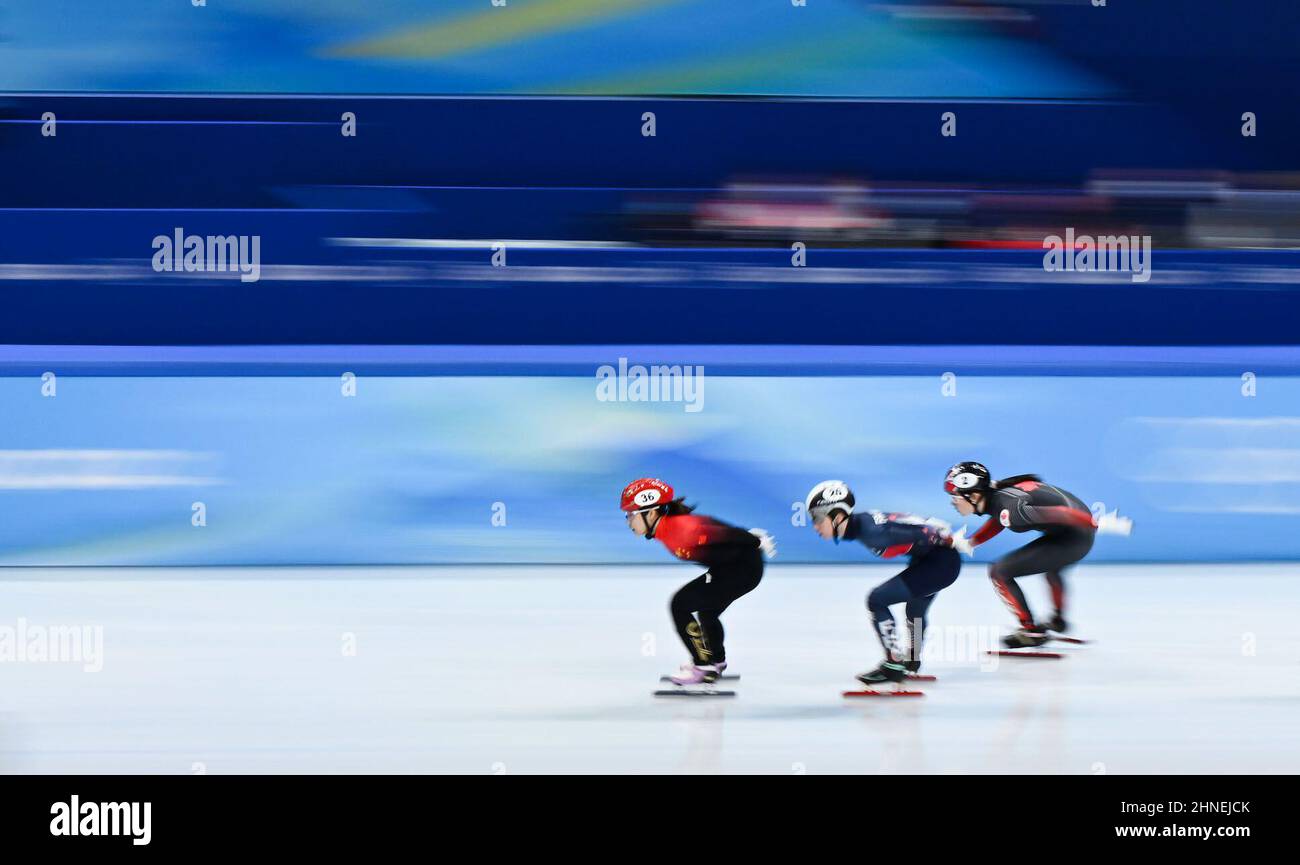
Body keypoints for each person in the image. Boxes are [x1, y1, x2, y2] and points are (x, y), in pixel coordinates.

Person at [943, 461, 1129, 648]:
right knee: (1052, 570)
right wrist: (971, 542)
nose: (952, 502)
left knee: (1000, 572)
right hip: (1071, 533)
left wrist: (1097, 523)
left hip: (1074, 535)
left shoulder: (1012, 510)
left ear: (974, 496)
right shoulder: (998, 496)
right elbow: (999, 519)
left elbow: (1061, 513)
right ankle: (1057, 621)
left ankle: (1031, 631)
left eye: (954, 496)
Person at [805, 480, 970, 687]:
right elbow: (916, 525)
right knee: (915, 613)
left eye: (817, 519)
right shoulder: (864, 524)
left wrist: (950, 540)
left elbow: (924, 532)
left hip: (940, 564)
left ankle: (893, 665)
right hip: (934, 562)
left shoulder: (872, 532)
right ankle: (911, 662)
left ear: (837, 517)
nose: (815, 526)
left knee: (877, 600)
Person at [621, 478, 774, 685]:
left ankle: (702, 665)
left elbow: (724, 534)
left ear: (651, 512)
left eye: (631, 515)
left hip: (743, 569)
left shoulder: (681, 530)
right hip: (731, 567)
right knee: (707, 612)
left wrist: (756, 540)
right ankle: (716, 662)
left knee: (680, 604)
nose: (628, 521)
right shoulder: (665, 529)